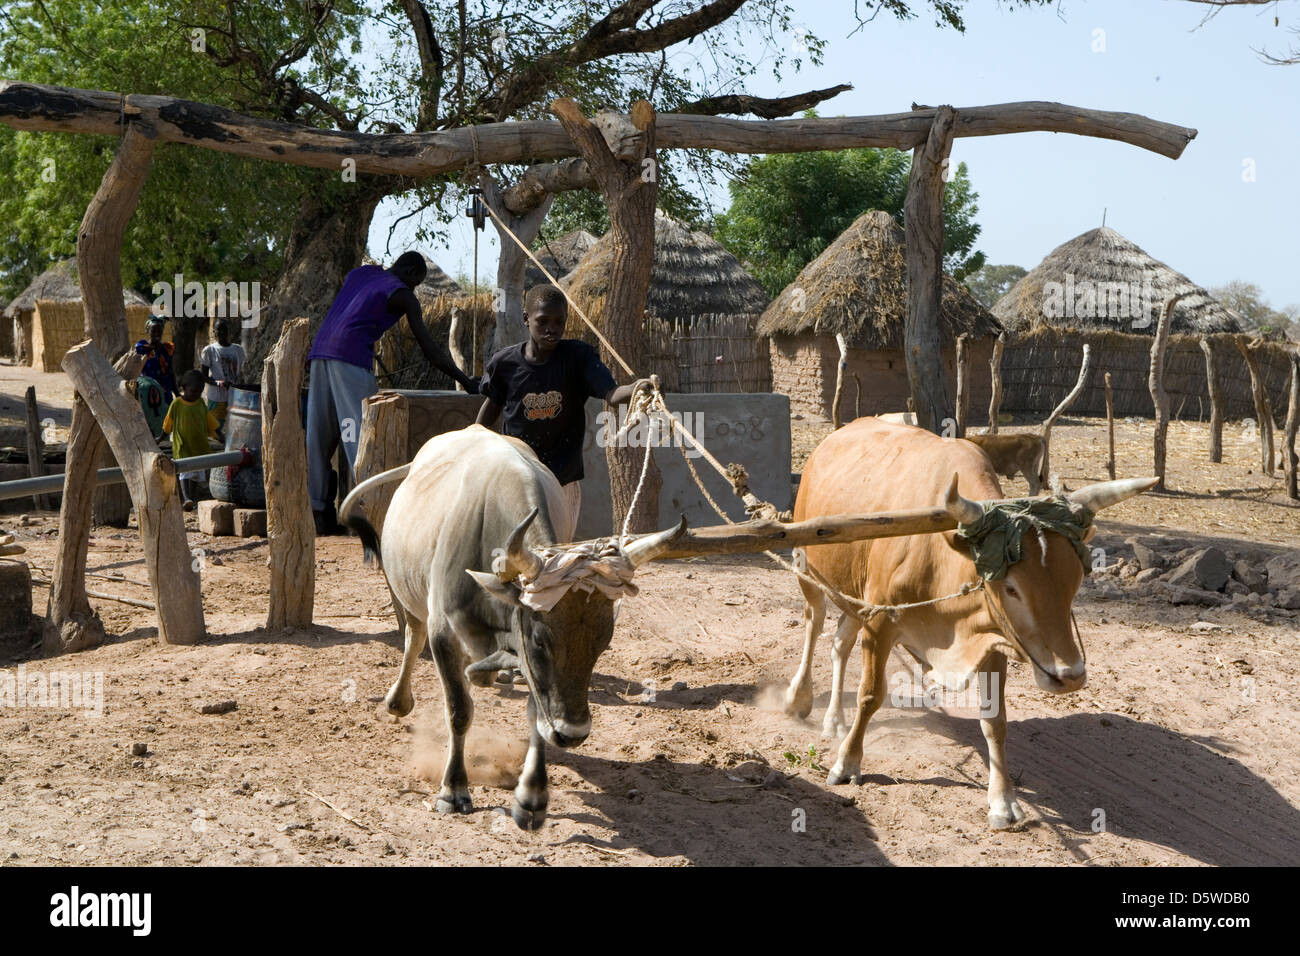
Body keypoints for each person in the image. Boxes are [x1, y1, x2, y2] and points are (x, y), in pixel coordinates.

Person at [307, 251, 475, 534]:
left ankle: (318, 510)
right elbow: (430, 349)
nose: (415, 289)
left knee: (319, 437)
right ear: (409, 273)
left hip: (321, 352)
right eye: (416, 282)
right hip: (350, 358)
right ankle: (368, 515)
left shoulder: (360, 274)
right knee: (364, 439)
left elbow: (354, 308)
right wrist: (464, 380)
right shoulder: (402, 294)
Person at [476, 284, 651, 539]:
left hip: (562, 481)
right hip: (516, 476)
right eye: (543, 321)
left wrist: (637, 389)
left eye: (559, 321)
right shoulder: (505, 364)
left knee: (556, 550)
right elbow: (491, 408)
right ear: (526, 319)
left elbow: (611, 394)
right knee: (514, 550)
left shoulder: (578, 358)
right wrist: (474, 441)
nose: (552, 329)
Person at [163, 369, 221, 511]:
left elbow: (210, 421)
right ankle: (186, 497)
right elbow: (168, 423)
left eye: (199, 392)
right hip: (183, 445)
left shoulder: (200, 404)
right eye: (194, 391)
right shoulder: (177, 404)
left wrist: (220, 436)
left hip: (198, 445)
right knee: (184, 472)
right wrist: (160, 438)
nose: (196, 394)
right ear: (184, 388)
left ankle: (192, 500)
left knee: (196, 473)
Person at [199, 318, 246, 441]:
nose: (220, 333)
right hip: (217, 398)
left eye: (223, 330)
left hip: (235, 397)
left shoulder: (238, 350)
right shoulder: (209, 350)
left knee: (234, 430)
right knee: (215, 432)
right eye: (217, 330)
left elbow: (242, 374)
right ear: (213, 332)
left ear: (228, 331)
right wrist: (217, 382)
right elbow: (203, 376)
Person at [135, 316, 176, 405]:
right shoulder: (142, 349)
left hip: (165, 392)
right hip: (147, 391)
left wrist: (176, 392)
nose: (157, 334)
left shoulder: (166, 349)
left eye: (159, 331)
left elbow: (170, 371)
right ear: (147, 331)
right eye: (153, 331)